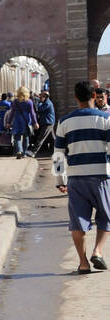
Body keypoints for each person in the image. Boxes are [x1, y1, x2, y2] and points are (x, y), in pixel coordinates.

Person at [53, 80, 110, 274]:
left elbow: (58, 153)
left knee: (78, 221)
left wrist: (60, 180)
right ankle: (98, 251)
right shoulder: (105, 119)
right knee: (106, 217)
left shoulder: (64, 122)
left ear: (76, 98)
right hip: (102, 176)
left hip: (76, 179)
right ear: (94, 96)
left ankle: (83, 262)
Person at [8, 86, 38, 159]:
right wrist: (35, 123)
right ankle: (24, 153)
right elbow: (32, 113)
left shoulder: (15, 101)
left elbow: (12, 112)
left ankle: (19, 151)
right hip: (26, 121)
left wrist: (8, 122)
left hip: (17, 121)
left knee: (17, 137)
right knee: (26, 138)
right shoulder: (29, 102)